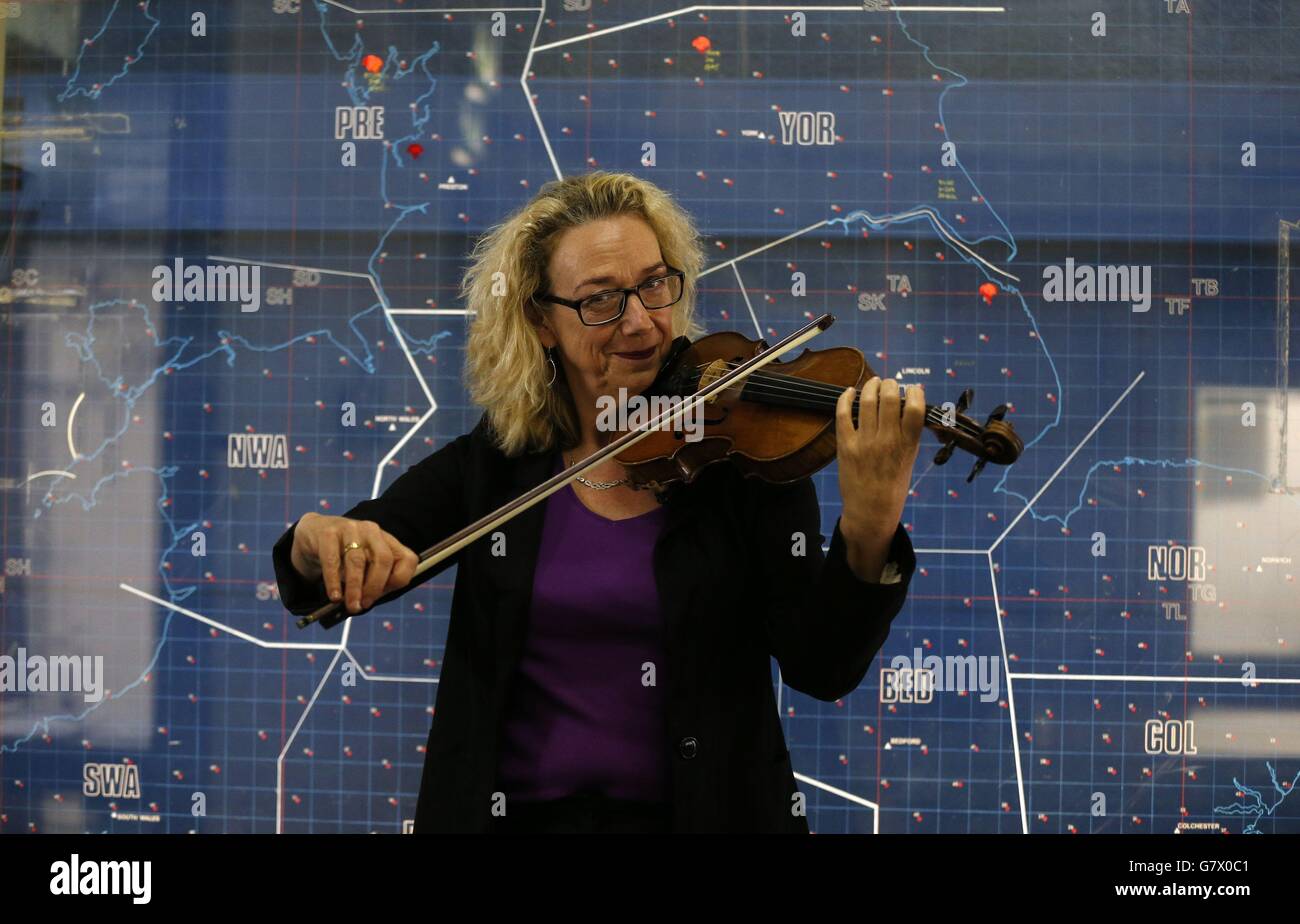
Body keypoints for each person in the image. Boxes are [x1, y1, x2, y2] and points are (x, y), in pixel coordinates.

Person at [272, 170, 923, 833]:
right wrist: (316, 537)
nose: (640, 322)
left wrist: (869, 527)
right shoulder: (497, 464)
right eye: (601, 300)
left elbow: (822, 665)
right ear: (541, 321)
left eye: (652, 284)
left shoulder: (741, 459)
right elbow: (345, 553)